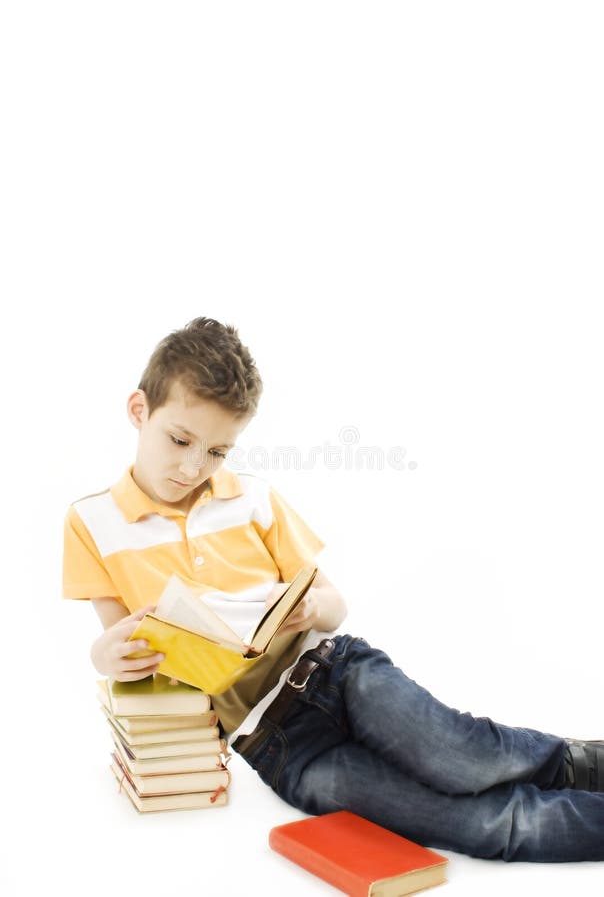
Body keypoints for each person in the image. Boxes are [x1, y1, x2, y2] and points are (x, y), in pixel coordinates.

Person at [62, 316, 604, 863]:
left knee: (467, 761)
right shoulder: (91, 522)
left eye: (218, 451)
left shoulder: (252, 499)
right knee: (477, 824)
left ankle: (576, 761)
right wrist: (105, 655)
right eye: (180, 439)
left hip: (337, 672)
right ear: (139, 411)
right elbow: (125, 647)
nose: (194, 465)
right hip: (278, 746)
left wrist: (310, 609)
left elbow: (333, 604)